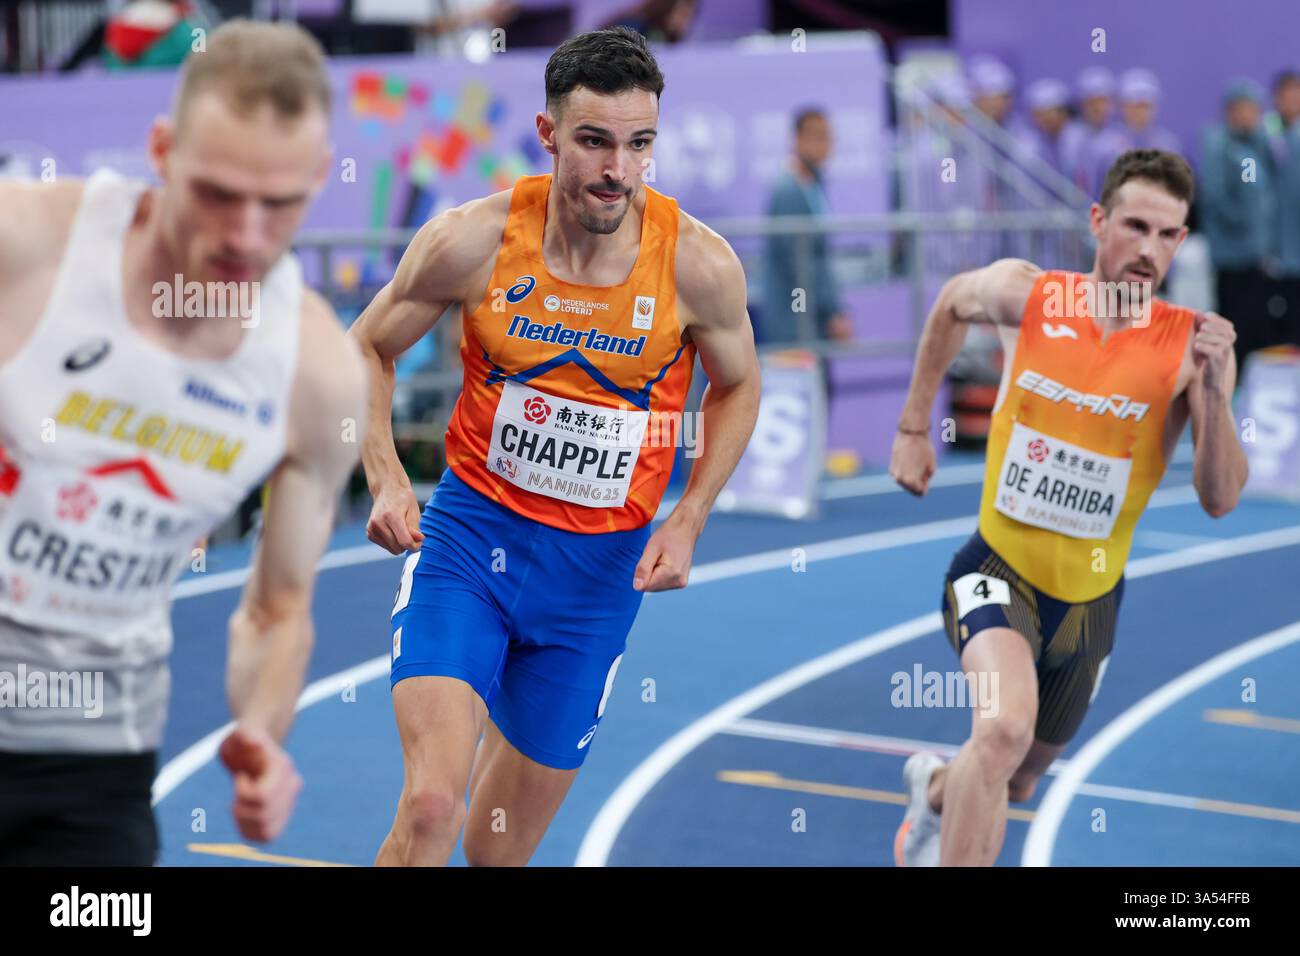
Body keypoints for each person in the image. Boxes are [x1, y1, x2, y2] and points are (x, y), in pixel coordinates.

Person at [348, 27, 760, 867]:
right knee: (431, 807)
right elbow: (364, 346)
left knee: (496, 852)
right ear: (548, 136)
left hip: (596, 581)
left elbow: (740, 384)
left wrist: (690, 516)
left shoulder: (697, 266)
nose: (617, 169)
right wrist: (386, 476)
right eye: (595, 141)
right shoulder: (472, 239)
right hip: (468, 544)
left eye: (639, 144)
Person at [0, 19, 367, 866]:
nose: (244, 234)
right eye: (216, 193)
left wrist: (266, 736)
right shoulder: (29, 248)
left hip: (91, 764)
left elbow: (278, 612)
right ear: (161, 151)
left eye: (279, 204)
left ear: (318, 176)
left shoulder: (313, 375)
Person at [889, 149, 1248, 866]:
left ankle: (933, 790)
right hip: (994, 568)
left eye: (1168, 235)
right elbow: (951, 302)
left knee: (1017, 780)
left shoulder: (1192, 348)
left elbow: (1219, 499)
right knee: (1001, 731)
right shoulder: (1031, 295)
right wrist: (912, 426)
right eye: (1135, 226)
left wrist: (1212, 395)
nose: (1149, 250)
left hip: (1087, 605)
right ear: (1098, 221)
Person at [1200, 79, 1276, 371]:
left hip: (1255, 253)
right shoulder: (1218, 143)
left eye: (1255, 110)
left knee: (1256, 321)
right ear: (1231, 110)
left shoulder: (1254, 144)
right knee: (1234, 320)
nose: (1251, 116)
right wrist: (1242, 223)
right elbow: (1215, 195)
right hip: (1232, 255)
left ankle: (1247, 378)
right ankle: (1229, 377)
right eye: (1245, 109)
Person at [761, 107, 851, 345]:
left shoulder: (812, 184)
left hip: (811, 318)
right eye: (816, 136)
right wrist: (831, 311)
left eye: (827, 137)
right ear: (797, 140)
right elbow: (799, 264)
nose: (824, 145)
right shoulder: (789, 190)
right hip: (793, 320)